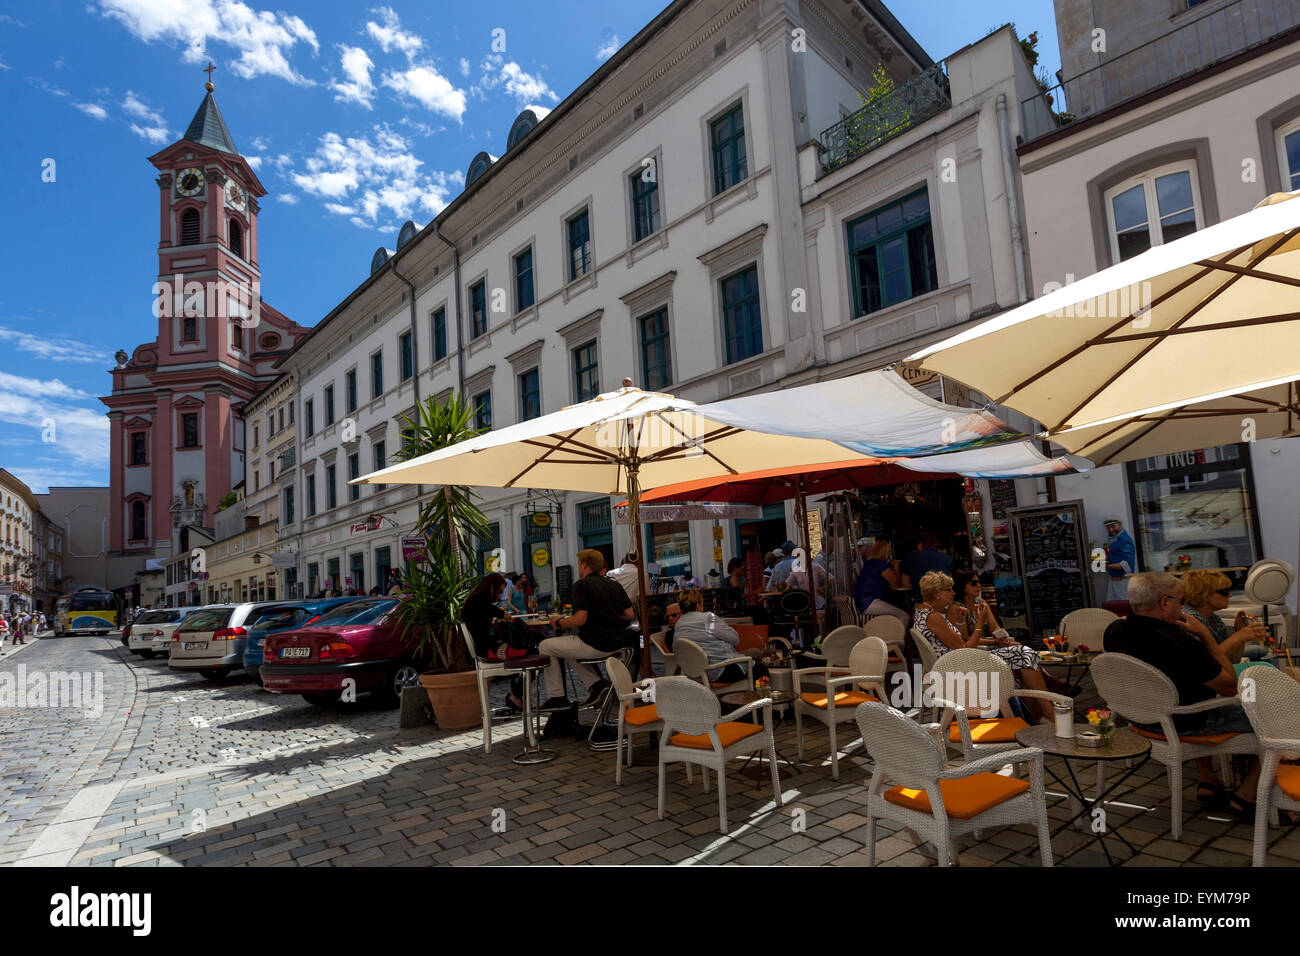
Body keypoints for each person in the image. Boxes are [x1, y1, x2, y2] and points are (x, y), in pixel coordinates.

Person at [1103, 571, 1266, 817]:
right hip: (1185, 722)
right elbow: (1229, 685)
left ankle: (1208, 780)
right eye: (1180, 600)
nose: (1183, 605)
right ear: (1165, 603)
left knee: (1196, 693)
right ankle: (1248, 795)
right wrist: (1205, 636)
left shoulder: (1115, 630)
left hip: (1139, 718)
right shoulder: (1179, 641)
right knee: (1277, 715)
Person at [913, 570, 1055, 722]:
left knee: (1023, 655)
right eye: (948, 589)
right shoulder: (933, 617)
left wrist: (961, 622)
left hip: (954, 664)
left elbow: (959, 641)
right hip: (959, 667)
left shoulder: (923, 612)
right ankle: (1046, 712)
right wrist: (980, 622)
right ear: (936, 594)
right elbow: (965, 648)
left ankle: (1035, 714)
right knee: (1024, 654)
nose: (953, 593)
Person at [538, 549, 634, 709]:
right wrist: (609, 615)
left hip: (595, 643)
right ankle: (597, 685)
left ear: (585, 565)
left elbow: (580, 620)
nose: (578, 567)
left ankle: (557, 696)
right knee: (566, 647)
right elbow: (629, 614)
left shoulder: (582, 585)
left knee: (545, 646)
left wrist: (559, 622)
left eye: (579, 563)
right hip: (617, 643)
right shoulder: (613, 583)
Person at [1182, 570, 1274, 672]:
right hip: (1201, 678)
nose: (1230, 595)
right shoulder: (1189, 618)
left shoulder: (1213, 618)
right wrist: (1238, 637)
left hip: (1216, 673)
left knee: (1265, 668)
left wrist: (1240, 632)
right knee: (1266, 669)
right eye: (1224, 592)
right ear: (1205, 595)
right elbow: (1206, 662)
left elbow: (1233, 660)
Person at [671, 589, 745, 683]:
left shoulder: (678, 624)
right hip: (717, 672)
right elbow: (735, 639)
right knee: (760, 669)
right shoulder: (708, 618)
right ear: (698, 605)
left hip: (693, 675)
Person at [852, 539, 910, 626]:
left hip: (859, 602)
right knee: (904, 616)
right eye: (889, 552)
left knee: (892, 613)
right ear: (886, 552)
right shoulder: (881, 564)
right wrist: (896, 568)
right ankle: (895, 638)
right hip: (869, 602)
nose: (890, 554)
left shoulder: (869, 563)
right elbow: (896, 583)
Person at [899, 532, 953, 601]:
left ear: (920, 544)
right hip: (944, 601)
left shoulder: (910, 557)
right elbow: (949, 583)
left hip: (922, 601)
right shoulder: (946, 558)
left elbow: (905, 583)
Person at [1103, 517, 1136, 602]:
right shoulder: (1112, 540)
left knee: (1123, 608)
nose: (1111, 530)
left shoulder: (1125, 541)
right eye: (1108, 528)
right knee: (1111, 608)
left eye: (1113, 526)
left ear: (1120, 524)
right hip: (1113, 580)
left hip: (1124, 582)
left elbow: (1127, 565)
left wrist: (1105, 565)